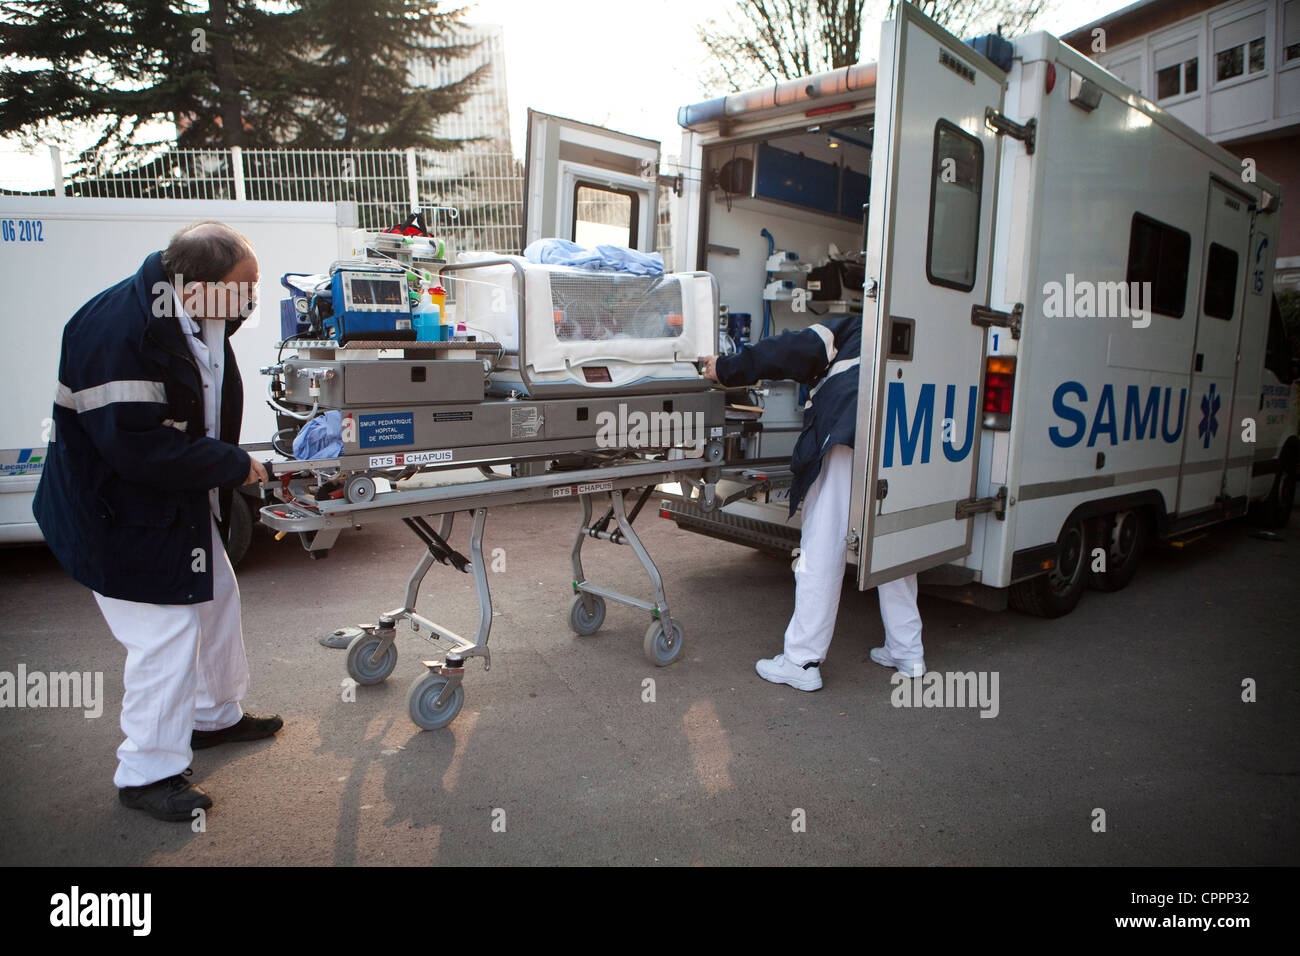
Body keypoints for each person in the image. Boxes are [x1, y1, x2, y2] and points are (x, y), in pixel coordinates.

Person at [34, 222, 283, 821]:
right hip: (117, 513)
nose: (252, 299)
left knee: (217, 594)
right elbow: (136, 448)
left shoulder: (195, 310)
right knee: (163, 638)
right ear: (195, 286)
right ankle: (147, 773)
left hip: (170, 503)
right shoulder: (116, 333)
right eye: (244, 286)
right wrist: (235, 464)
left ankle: (212, 715)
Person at [703, 313, 925, 690]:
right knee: (889, 542)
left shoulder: (855, 324)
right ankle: (907, 652)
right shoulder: (912, 330)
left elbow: (793, 349)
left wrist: (725, 368)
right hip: (899, 436)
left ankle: (802, 661)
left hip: (847, 430)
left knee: (822, 547)